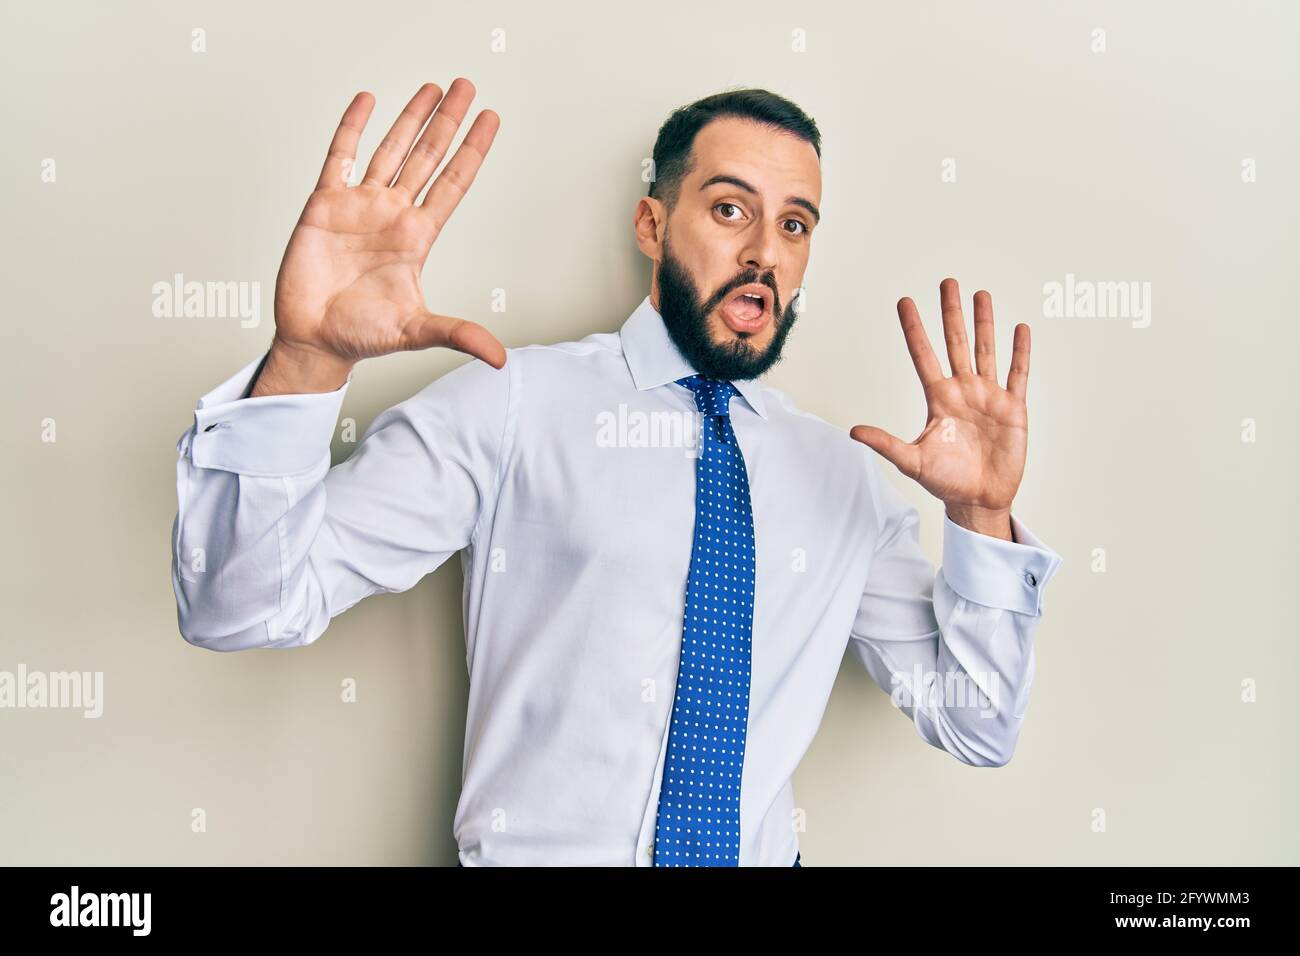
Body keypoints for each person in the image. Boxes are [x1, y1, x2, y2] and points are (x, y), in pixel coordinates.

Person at [170, 79, 1064, 867]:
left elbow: (978, 724)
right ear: (652, 225)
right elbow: (237, 607)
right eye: (730, 209)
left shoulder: (846, 480)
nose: (764, 251)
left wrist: (982, 517)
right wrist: (307, 360)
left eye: (794, 224)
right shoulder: (512, 404)